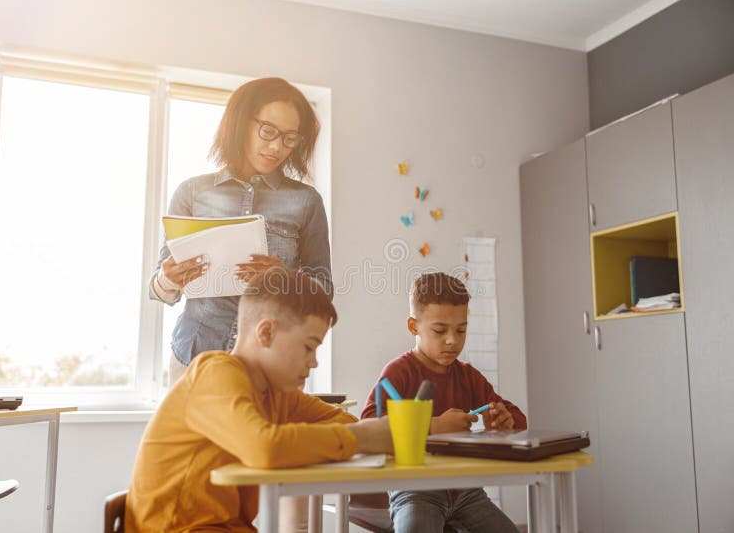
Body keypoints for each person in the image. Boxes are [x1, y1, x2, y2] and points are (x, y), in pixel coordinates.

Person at [126, 268, 393, 532]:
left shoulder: (278, 393)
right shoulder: (215, 374)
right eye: (308, 347)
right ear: (266, 333)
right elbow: (265, 448)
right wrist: (359, 438)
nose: (314, 362)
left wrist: (353, 435)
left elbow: (343, 420)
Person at [149, 76, 332, 386]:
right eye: (268, 131)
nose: (277, 147)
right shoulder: (192, 192)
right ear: (241, 123)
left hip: (272, 364)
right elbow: (158, 289)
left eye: (290, 138)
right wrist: (169, 279)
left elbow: (324, 289)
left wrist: (284, 280)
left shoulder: (306, 201)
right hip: (195, 359)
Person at [361, 272, 527, 533]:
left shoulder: (468, 375)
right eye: (440, 330)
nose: (452, 340)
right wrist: (433, 427)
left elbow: (517, 418)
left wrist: (506, 420)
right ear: (414, 327)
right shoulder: (398, 373)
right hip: (414, 489)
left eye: (461, 330)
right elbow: (368, 427)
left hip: (466, 490)